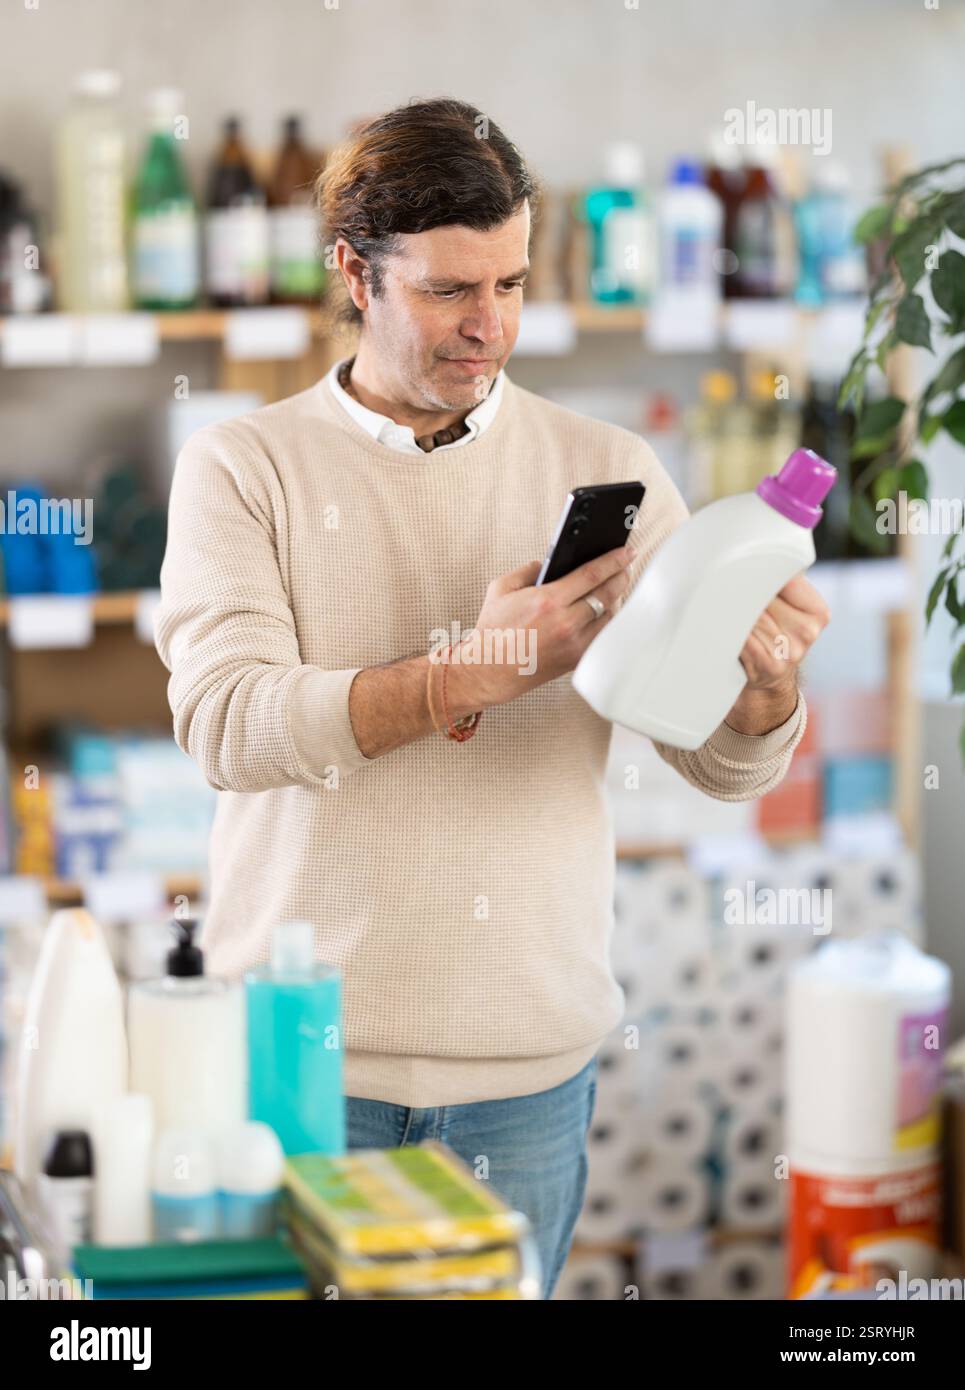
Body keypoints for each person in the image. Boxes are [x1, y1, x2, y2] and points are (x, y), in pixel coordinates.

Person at [154, 97, 830, 1299]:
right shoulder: (242, 466)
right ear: (354, 275)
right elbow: (227, 724)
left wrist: (761, 692)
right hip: (304, 1067)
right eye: (450, 292)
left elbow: (719, 765)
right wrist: (472, 672)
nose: (489, 328)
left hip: (525, 1078)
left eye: (512, 284)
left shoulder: (609, 469)